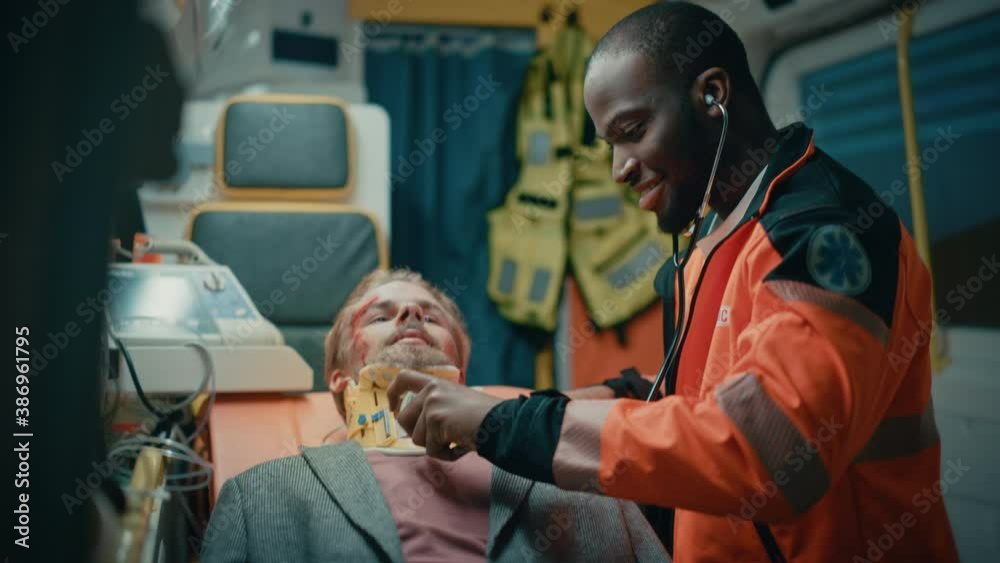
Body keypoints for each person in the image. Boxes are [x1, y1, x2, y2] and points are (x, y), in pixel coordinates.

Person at [386, 3, 961, 562]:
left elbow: (769, 450)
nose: (620, 168)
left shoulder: (824, 233)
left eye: (633, 131)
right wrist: (509, 410)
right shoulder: (713, 233)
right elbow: (683, 402)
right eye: (610, 145)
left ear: (713, 95)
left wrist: (503, 425)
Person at [200, 268, 668, 563]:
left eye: (431, 317)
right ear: (339, 379)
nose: (410, 312)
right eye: (380, 317)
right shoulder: (259, 496)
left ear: (460, 374)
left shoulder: (573, 476)